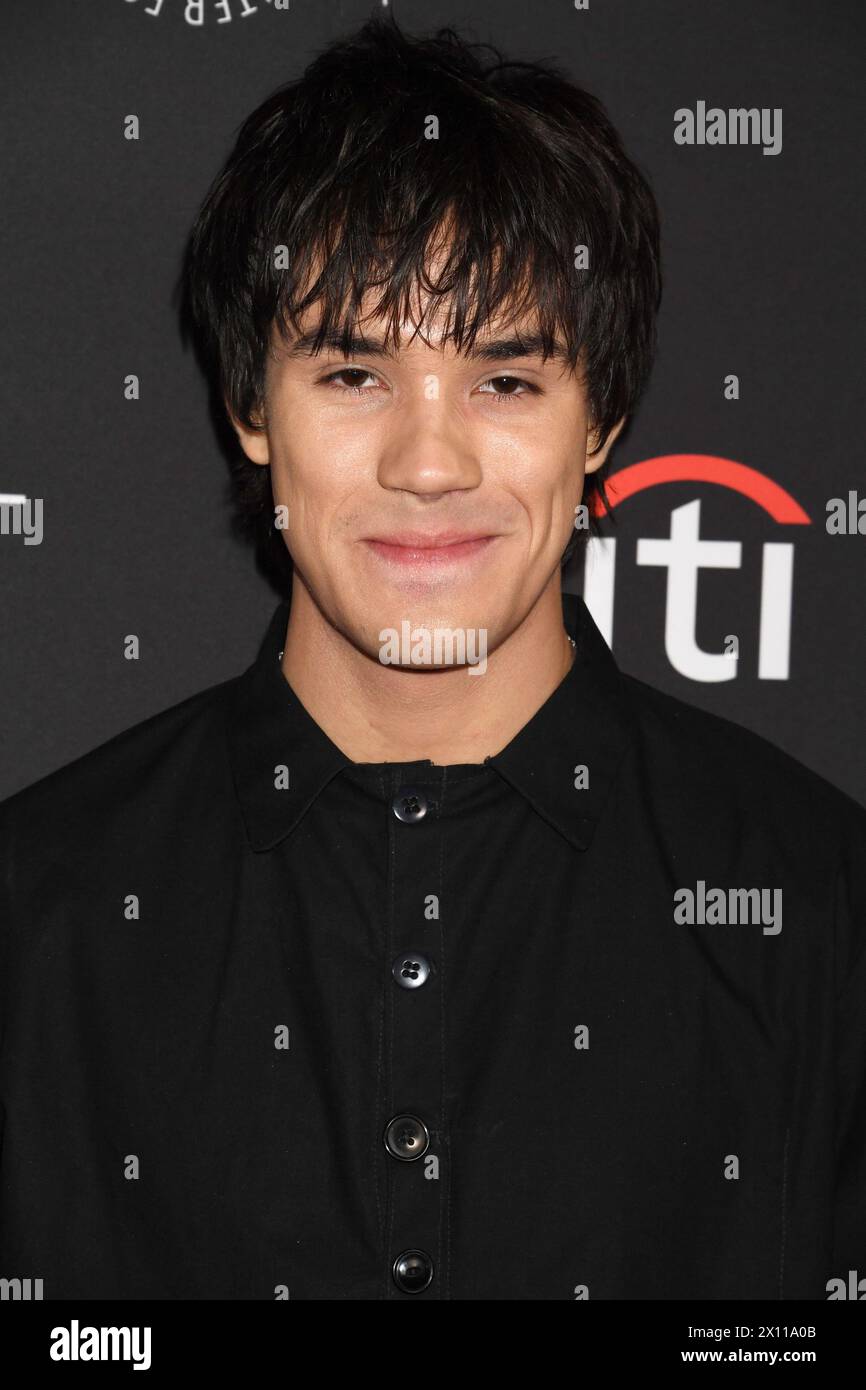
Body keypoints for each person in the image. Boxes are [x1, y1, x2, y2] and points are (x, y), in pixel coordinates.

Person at [0, 14, 863, 1301]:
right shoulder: (38, 918)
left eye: (505, 382)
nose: (426, 463)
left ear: (601, 421)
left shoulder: (818, 909)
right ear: (250, 407)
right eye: (352, 372)